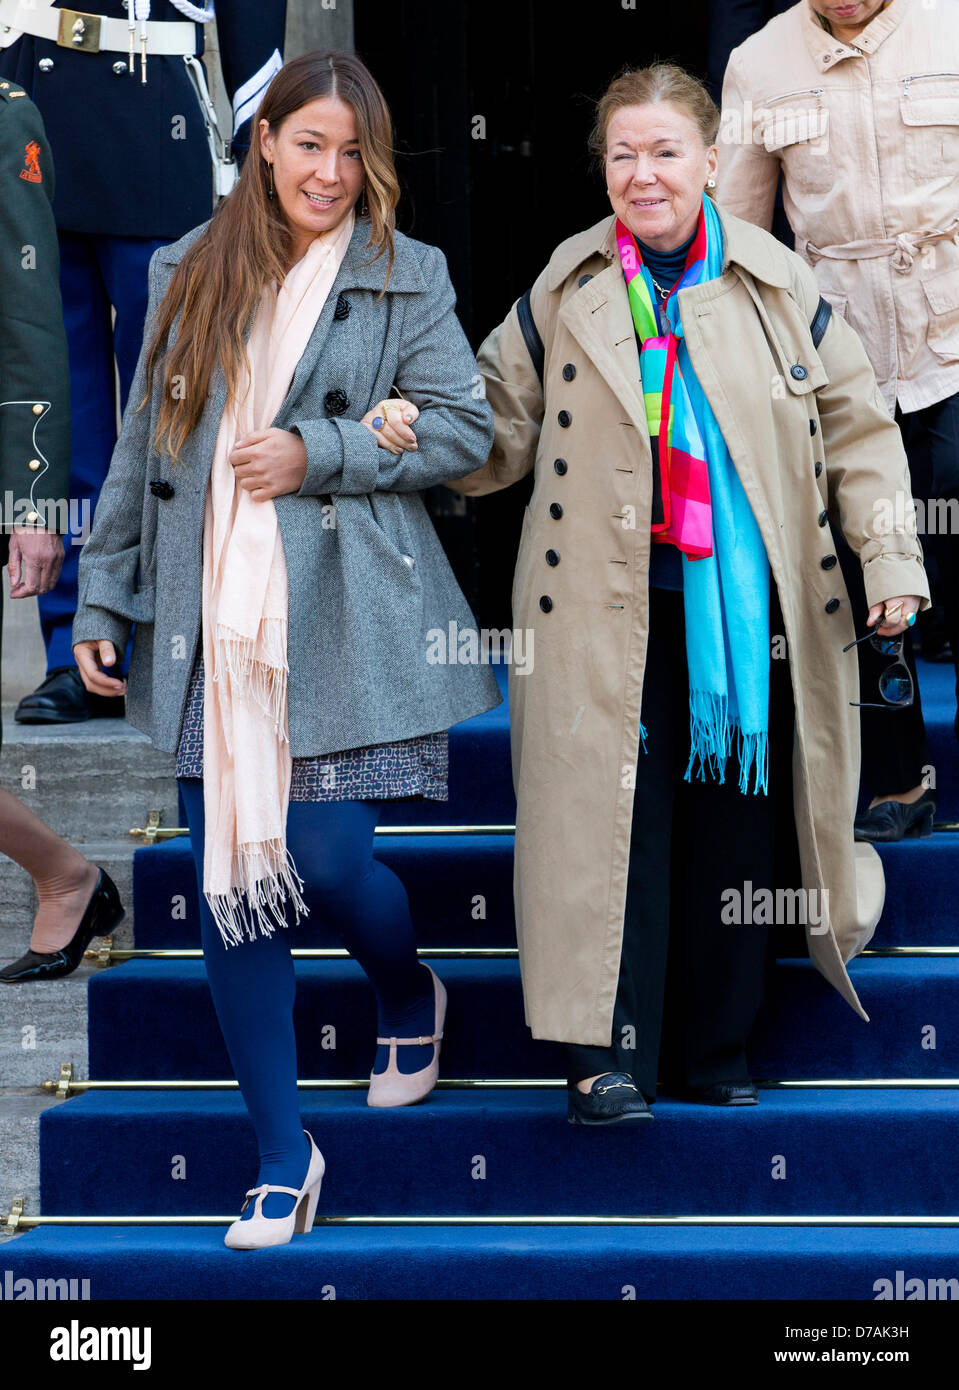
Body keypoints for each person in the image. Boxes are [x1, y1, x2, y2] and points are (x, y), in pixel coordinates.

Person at [70, 49, 500, 1247]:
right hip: (211, 620)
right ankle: (280, 1151)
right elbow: (141, 451)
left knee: (313, 854)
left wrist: (324, 451)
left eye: (351, 153)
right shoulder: (186, 271)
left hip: (350, 618)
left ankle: (407, 986)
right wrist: (105, 599)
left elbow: (464, 427)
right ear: (262, 142)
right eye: (308, 143)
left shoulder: (406, 276)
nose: (329, 170)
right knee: (229, 889)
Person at [444, 62, 927, 1124]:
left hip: (743, 618)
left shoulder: (773, 283)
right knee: (601, 827)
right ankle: (598, 1055)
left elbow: (859, 434)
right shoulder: (565, 285)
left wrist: (889, 561)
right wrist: (393, 433)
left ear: (711, 162)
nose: (641, 174)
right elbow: (486, 427)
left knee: (730, 828)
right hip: (590, 613)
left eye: (664, 152)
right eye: (621, 154)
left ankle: (714, 1043)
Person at [0, 0, 288, 724]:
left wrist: (266, 150)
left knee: (170, 415)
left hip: (155, 127)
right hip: (33, 116)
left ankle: (165, 642)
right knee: (55, 399)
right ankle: (75, 647)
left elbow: (252, 25)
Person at [716, 0, 955, 842]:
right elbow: (736, 228)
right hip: (836, 353)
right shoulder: (759, 60)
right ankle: (896, 777)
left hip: (953, 333)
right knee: (859, 562)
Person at [0, 81, 123, 985]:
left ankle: (64, 875)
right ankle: (63, 873)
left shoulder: (6, 116)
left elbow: (31, 322)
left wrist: (36, 503)